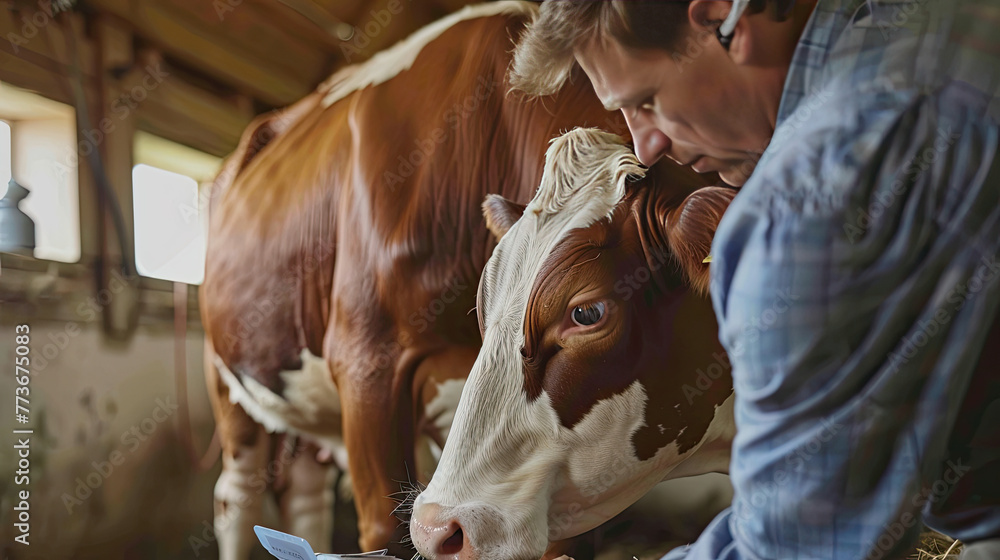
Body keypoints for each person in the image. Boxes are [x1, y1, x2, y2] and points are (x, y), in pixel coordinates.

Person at [511, 1, 1000, 559]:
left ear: (726, 16)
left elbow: (802, 547)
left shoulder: (799, 212)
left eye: (646, 101)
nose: (645, 144)